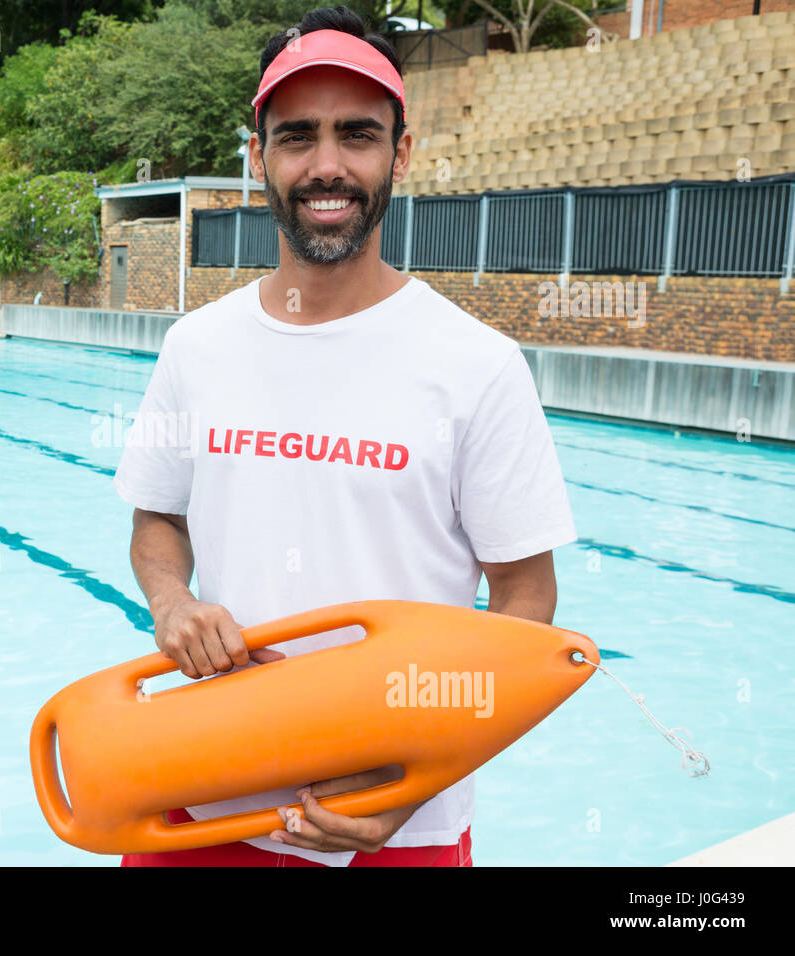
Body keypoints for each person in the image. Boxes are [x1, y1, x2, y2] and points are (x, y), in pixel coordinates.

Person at [111, 7, 575, 868]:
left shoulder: (477, 365)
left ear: (400, 152)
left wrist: (419, 777)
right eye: (297, 137)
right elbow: (157, 521)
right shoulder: (197, 346)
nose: (327, 166)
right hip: (202, 792)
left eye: (357, 135)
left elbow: (525, 605)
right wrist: (173, 606)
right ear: (259, 157)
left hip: (398, 826)